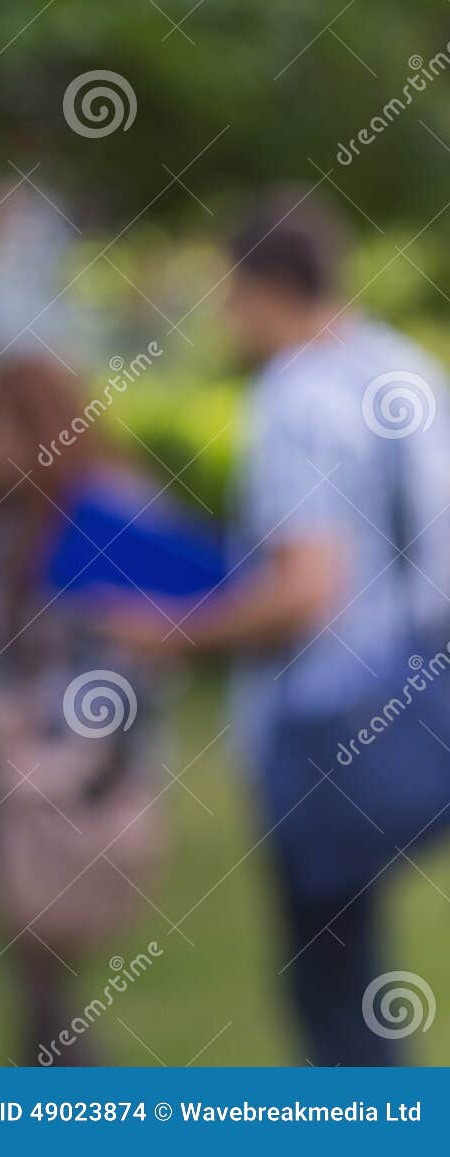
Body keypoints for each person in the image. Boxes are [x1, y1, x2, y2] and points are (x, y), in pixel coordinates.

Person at [102, 193, 450, 1064]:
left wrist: (172, 632)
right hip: (417, 693)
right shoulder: (402, 367)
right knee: (365, 971)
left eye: (229, 290)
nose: (225, 313)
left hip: (327, 721)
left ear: (267, 288)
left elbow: (306, 588)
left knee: (331, 990)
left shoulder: (297, 397)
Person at [0, 353, 165, 1066]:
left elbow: (139, 650)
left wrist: (70, 739)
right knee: (29, 961)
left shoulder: (114, 512)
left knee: (51, 964)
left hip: (92, 773)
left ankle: (63, 1082)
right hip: (11, 775)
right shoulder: (3, 524)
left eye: (6, 431)